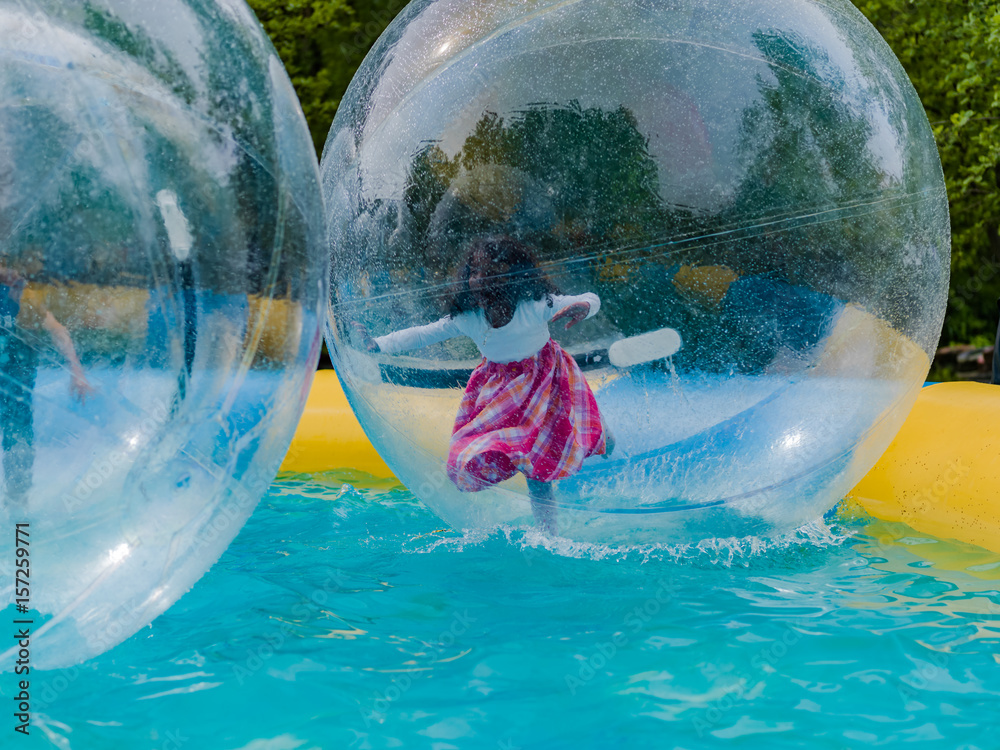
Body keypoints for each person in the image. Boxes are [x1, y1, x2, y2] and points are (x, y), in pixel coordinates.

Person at [356, 237, 610, 534]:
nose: (478, 278)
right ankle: (546, 536)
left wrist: (582, 306)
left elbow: (590, 298)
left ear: (511, 277)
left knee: (580, 443)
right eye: (474, 271)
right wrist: (377, 345)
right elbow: (423, 334)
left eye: (488, 271)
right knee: (531, 467)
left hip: (545, 382)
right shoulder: (469, 318)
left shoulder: (535, 305)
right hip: (502, 393)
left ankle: (599, 439)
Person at [0, 264, 93, 512]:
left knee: (18, 446)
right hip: (13, 388)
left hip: (15, 393)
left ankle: (18, 510)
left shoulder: (26, 299)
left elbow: (58, 331)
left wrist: (77, 371)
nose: (15, 278)